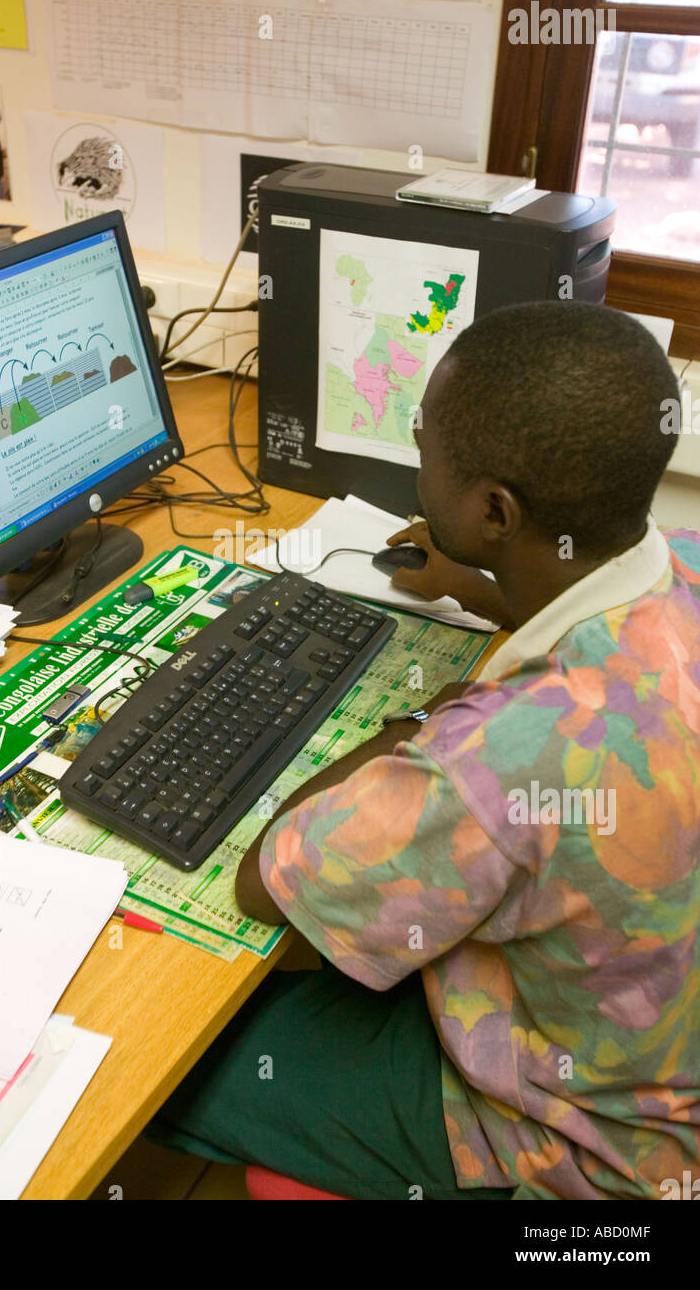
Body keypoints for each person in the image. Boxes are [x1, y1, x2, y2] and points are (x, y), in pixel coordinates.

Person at [144, 300, 700, 1201]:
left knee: (175, 1050)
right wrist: (485, 589)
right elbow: (611, 645)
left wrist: (410, 729)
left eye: (423, 446)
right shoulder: (681, 563)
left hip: (595, 1147)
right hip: (659, 1049)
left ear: (493, 508)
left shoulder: (488, 765)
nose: (416, 463)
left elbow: (268, 879)